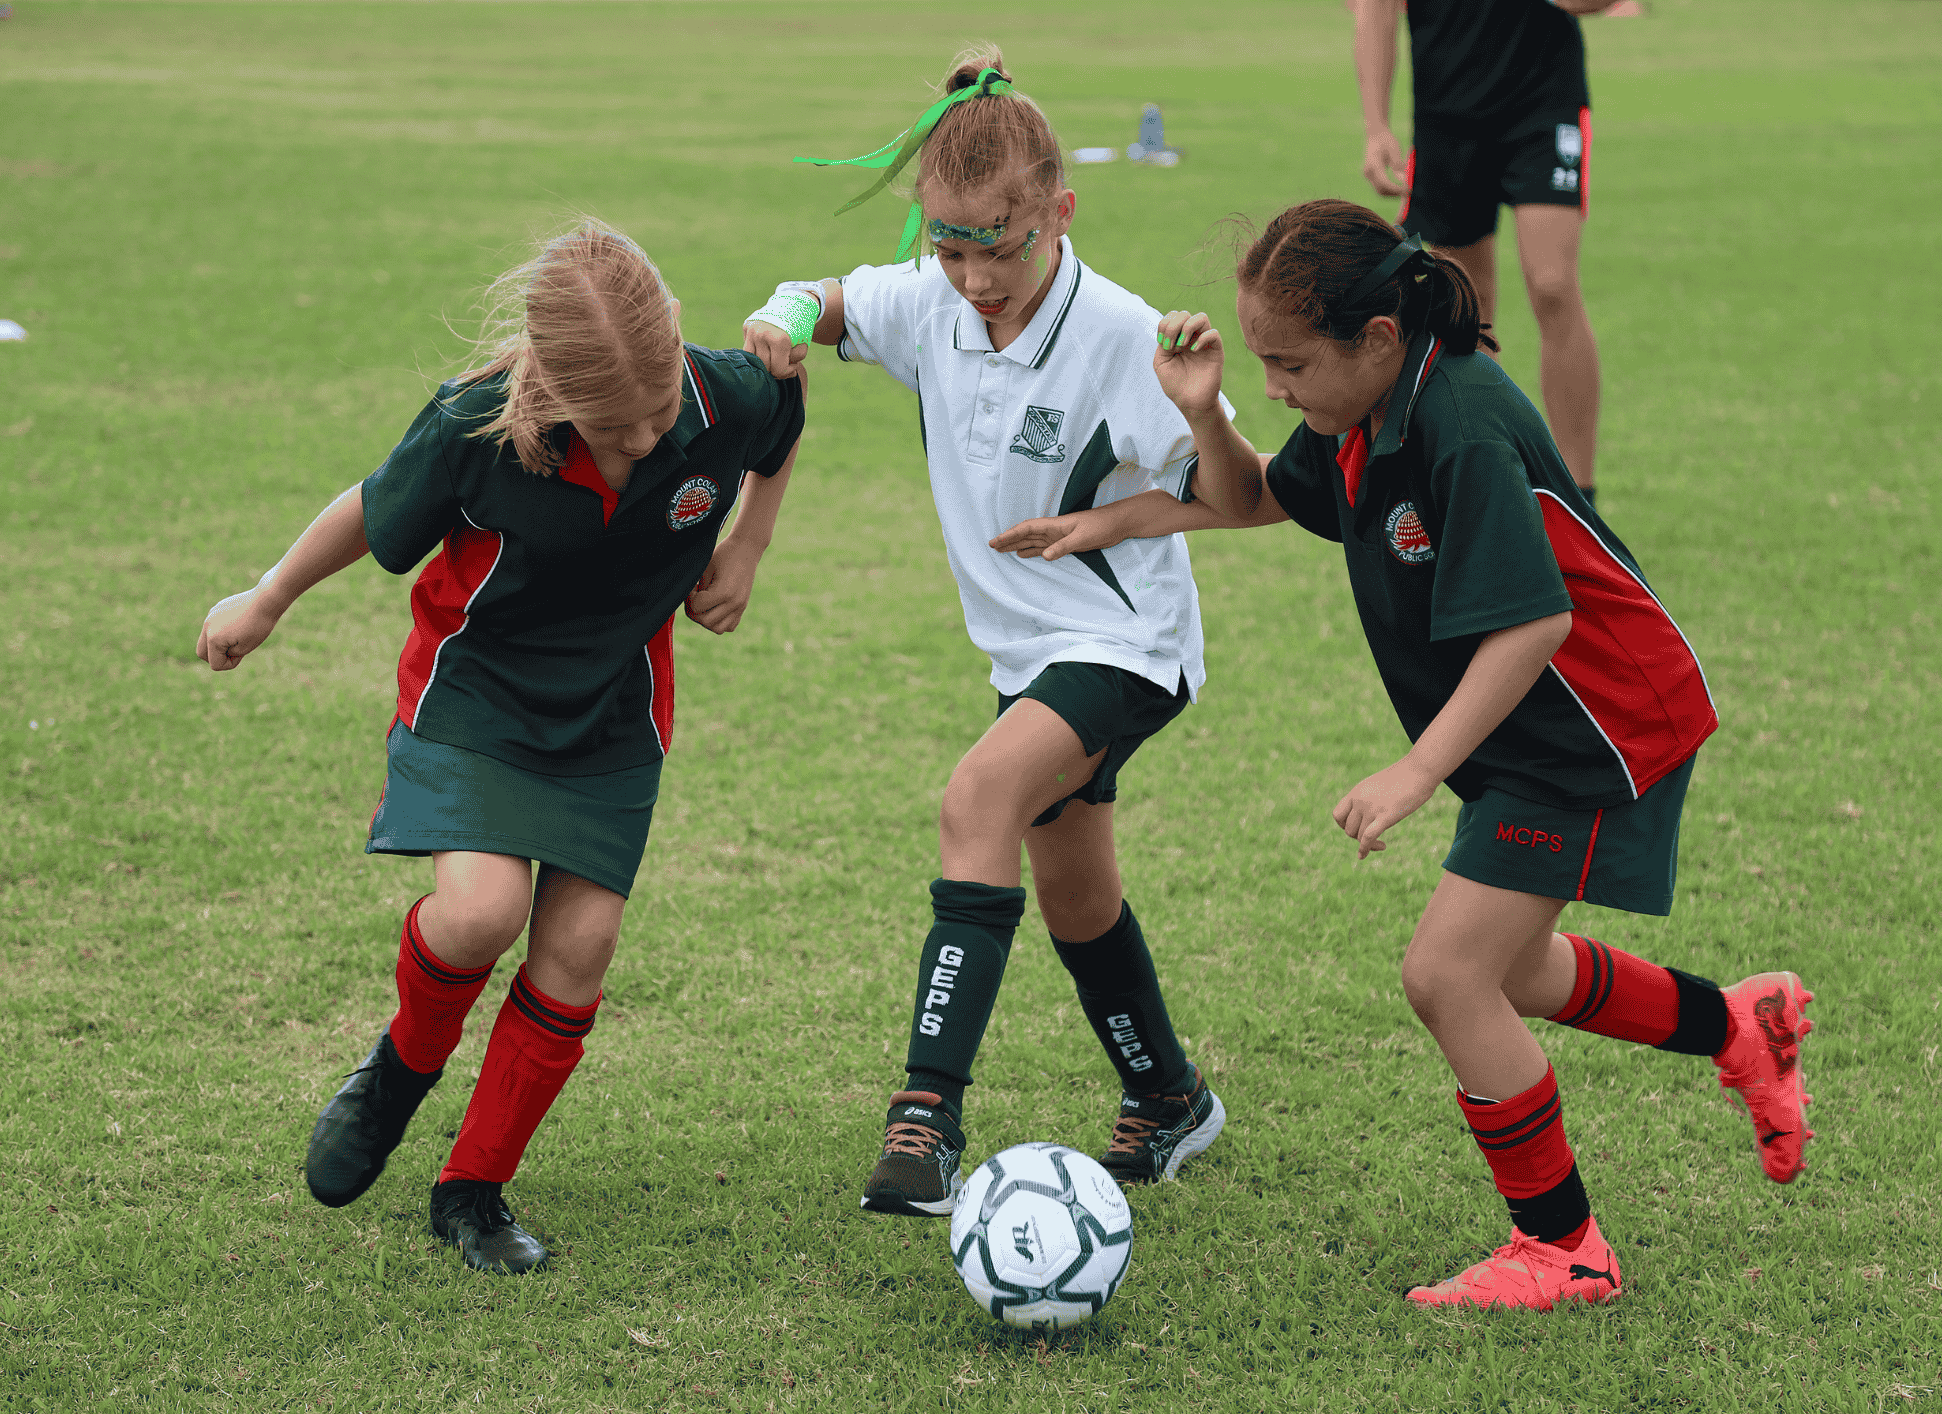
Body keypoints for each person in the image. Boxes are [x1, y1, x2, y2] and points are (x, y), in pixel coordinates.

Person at [994, 199, 1816, 1309]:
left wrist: (1416, 769)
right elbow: (1249, 498)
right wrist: (1177, 444)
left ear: (1374, 337)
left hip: (1592, 723)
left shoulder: (1456, 418)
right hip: (1539, 725)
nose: (1273, 385)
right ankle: (1739, 1026)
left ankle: (1563, 1247)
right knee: (1512, 969)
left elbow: (1533, 626)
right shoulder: (1365, 411)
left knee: (1446, 974)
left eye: (1287, 363)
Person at [195, 219, 806, 1273]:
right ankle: (401, 1068)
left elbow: (781, 422)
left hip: (615, 705)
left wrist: (745, 545)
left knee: (578, 949)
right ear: (554, 399)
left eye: (656, 418)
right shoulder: (474, 425)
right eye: (615, 430)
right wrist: (269, 596)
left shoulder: (714, 397)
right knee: (480, 912)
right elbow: (370, 511)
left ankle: (472, 1188)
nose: (647, 445)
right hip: (475, 692)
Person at [742, 48, 1227, 1216]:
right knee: (1073, 893)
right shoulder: (935, 300)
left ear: (1059, 213)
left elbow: (1229, 491)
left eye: (994, 245)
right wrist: (782, 317)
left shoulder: (1120, 334)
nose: (969, 276)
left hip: (1124, 647)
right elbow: (825, 296)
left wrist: (1107, 511)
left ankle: (924, 1119)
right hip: (1031, 657)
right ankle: (1166, 1096)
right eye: (944, 245)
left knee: (975, 800)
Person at [1354, 0, 1620, 503]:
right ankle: (1485, 476)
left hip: (1545, 100)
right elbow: (1376, 11)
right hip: (1447, 109)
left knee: (1553, 285)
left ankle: (1579, 495)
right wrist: (1376, 126)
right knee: (1463, 311)